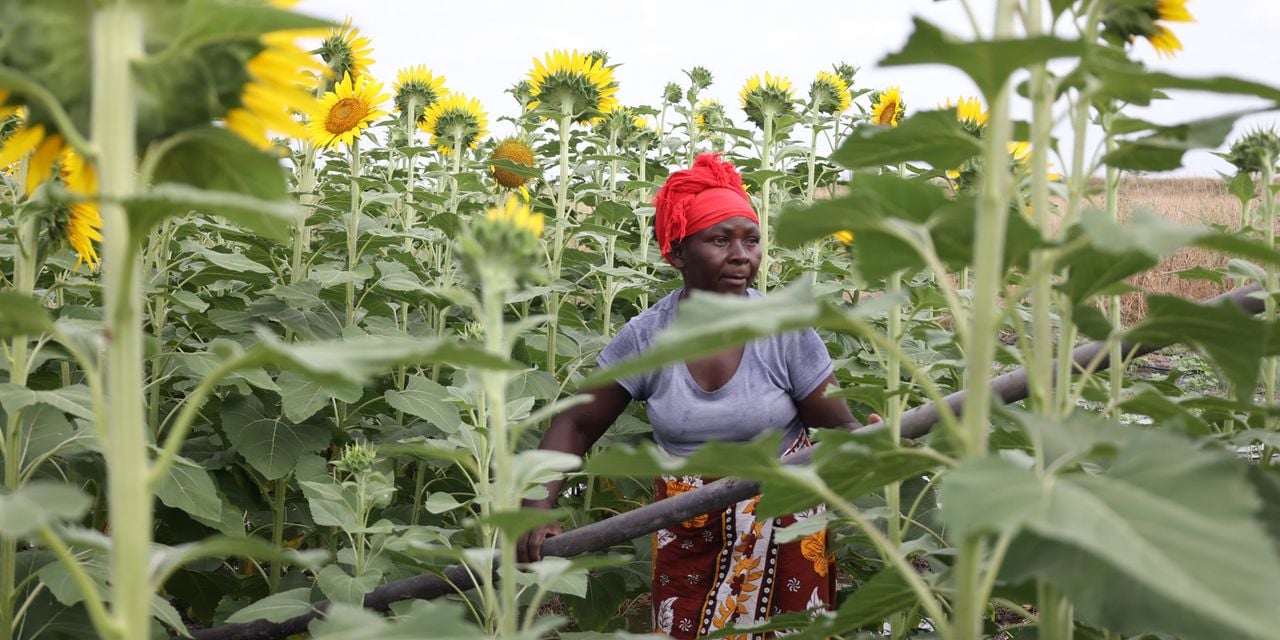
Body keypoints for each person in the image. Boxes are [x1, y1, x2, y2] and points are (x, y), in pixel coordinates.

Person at [517, 153, 873, 637]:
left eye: (751, 240)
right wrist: (536, 509)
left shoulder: (784, 330)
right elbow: (576, 423)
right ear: (679, 253)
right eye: (720, 240)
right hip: (688, 529)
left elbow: (835, 423)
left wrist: (868, 442)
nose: (742, 255)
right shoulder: (648, 338)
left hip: (783, 527)